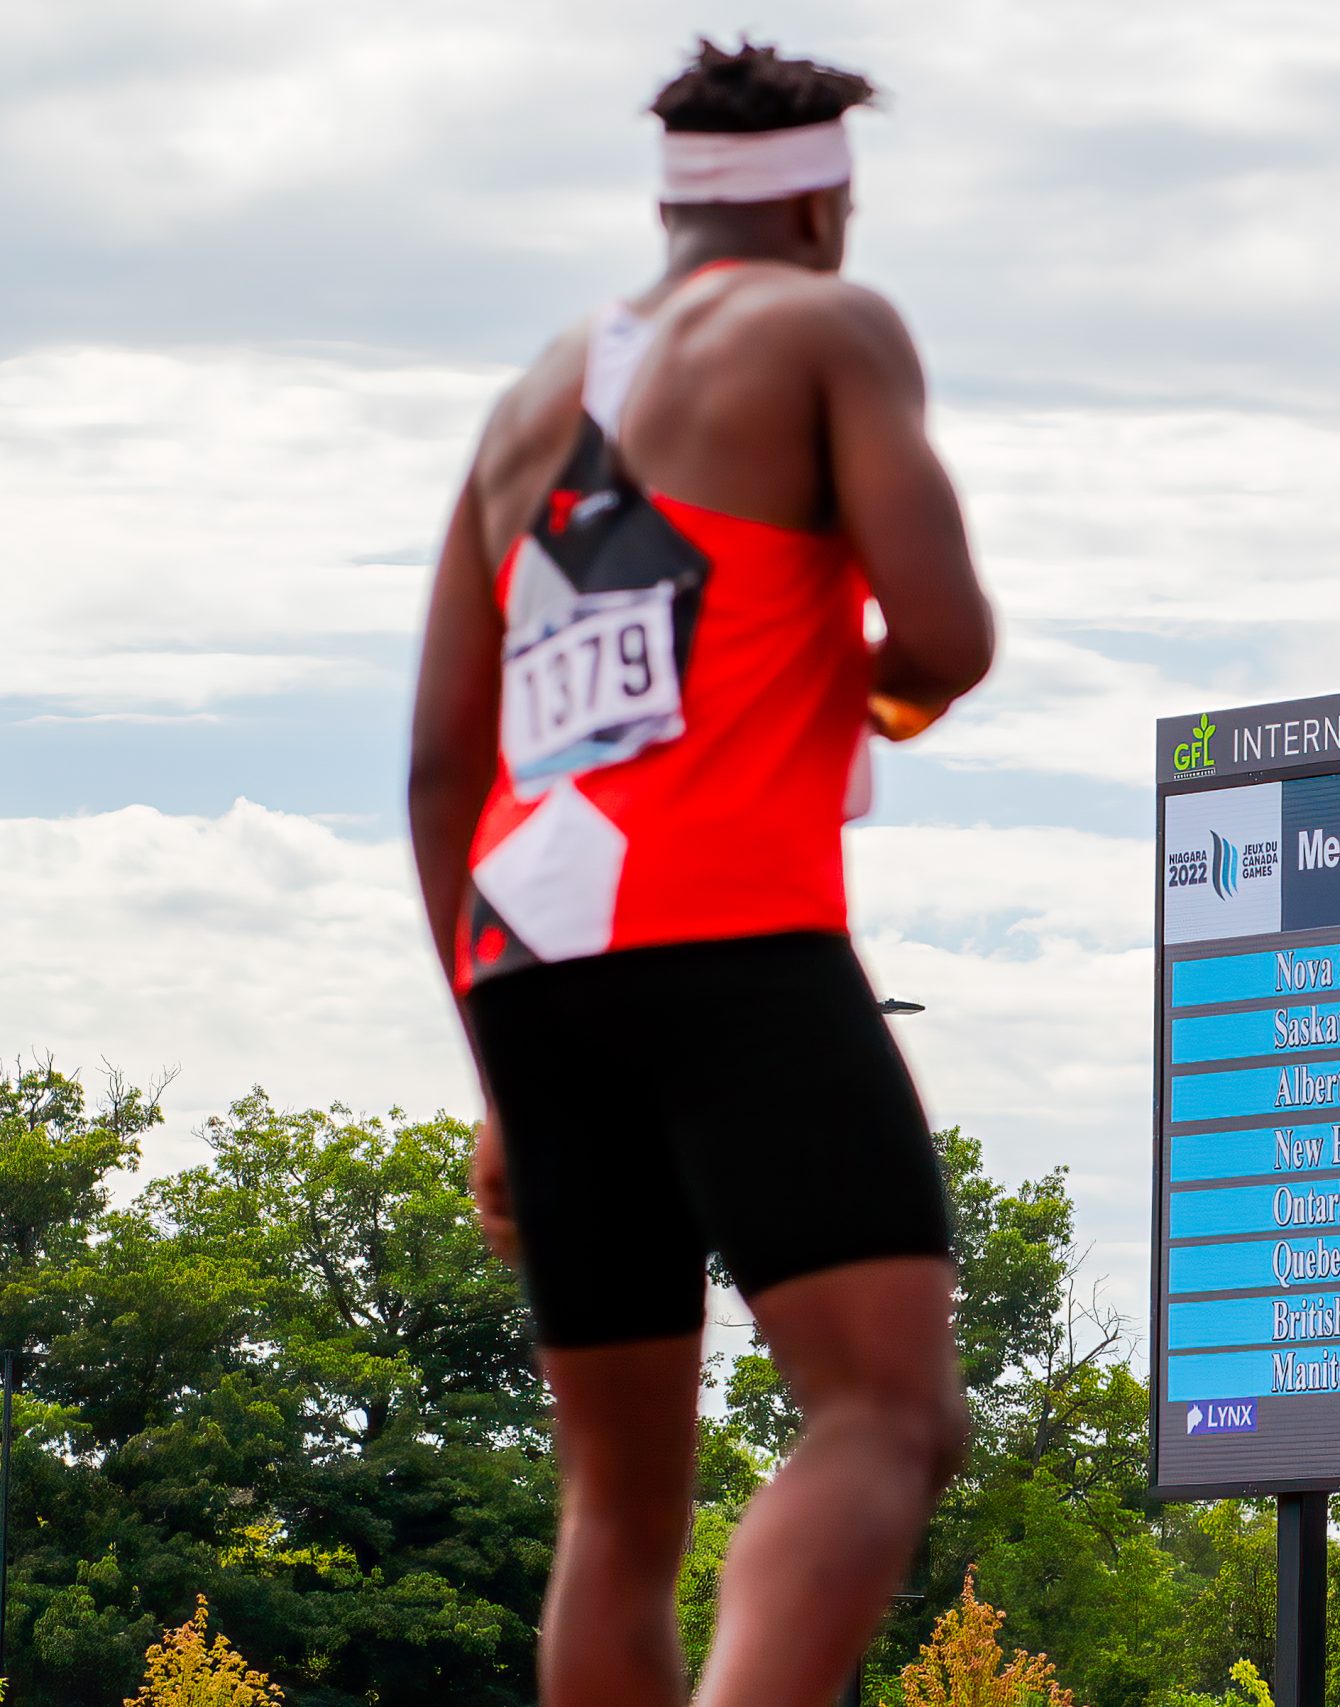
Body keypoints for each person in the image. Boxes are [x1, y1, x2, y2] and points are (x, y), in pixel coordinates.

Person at [407, 37, 994, 1707]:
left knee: (617, 1503)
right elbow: (946, 632)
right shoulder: (824, 327)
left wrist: (498, 1074)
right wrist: (867, 696)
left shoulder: (523, 409)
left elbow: (445, 768)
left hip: (528, 966)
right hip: (729, 925)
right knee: (886, 1411)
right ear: (818, 200)